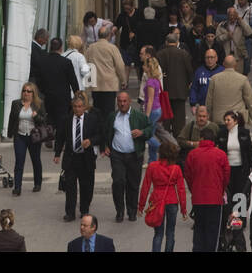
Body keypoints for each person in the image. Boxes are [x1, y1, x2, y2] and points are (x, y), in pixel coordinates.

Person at [104, 90, 154, 223]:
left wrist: (142, 132)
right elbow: (106, 132)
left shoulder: (139, 116)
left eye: (124, 101)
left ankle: (132, 211)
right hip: (117, 155)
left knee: (133, 184)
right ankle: (119, 211)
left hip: (134, 155)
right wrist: (106, 146)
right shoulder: (112, 116)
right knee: (118, 182)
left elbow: (150, 130)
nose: (122, 104)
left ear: (129, 102)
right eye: (119, 101)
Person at [54, 92, 104, 221]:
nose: (77, 109)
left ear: (84, 107)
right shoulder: (66, 119)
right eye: (75, 106)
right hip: (71, 157)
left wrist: (91, 141)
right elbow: (60, 137)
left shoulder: (91, 119)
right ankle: (70, 212)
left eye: (80, 106)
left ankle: (84, 210)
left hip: (86, 158)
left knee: (86, 185)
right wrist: (57, 153)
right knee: (70, 186)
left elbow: (99, 135)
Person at [216, 110, 252, 248]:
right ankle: (229, 218)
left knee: (241, 194)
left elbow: (250, 151)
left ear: (235, 121)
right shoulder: (222, 133)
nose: (226, 122)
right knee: (229, 193)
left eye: (229, 120)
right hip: (227, 169)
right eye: (225, 120)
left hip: (241, 168)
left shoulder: (244, 133)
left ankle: (241, 219)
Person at [138, 141, 187, 252]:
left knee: (158, 234)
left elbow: (145, 187)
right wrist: (183, 209)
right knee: (170, 233)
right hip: (172, 201)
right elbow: (181, 190)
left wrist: (141, 206)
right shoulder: (176, 168)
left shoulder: (152, 166)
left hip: (157, 201)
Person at [184, 133, 230, 252]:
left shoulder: (193, 154)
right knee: (213, 230)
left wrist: (193, 189)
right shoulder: (221, 154)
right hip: (215, 198)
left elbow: (188, 175)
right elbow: (226, 176)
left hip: (198, 198)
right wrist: (221, 189)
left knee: (199, 228)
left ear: (201, 139)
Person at [6, 82, 47, 197]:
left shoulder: (38, 104)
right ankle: (17, 187)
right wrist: (9, 133)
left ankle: (37, 183)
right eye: (24, 91)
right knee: (19, 161)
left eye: (29, 91)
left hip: (34, 136)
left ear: (33, 93)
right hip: (20, 136)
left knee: (36, 160)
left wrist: (35, 116)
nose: (26, 93)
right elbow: (12, 119)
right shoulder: (16, 104)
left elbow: (43, 121)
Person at [85, 23, 128, 121]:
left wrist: (87, 83)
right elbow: (120, 66)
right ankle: (107, 131)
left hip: (96, 84)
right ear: (109, 35)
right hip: (109, 84)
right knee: (108, 111)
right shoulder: (112, 48)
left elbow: (86, 65)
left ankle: (98, 131)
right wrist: (123, 80)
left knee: (97, 110)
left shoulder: (91, 48)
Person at [206, 54, 252, 126]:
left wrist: (208, 116)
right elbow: (250, 100)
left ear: (223, 64)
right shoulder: (243, 79)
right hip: (237, 118)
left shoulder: (214, 79)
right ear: (235, 64)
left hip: (219, 119)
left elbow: (209, 101)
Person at [158, 31, 194, 134]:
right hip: (180, 92)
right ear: (177, 41)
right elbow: (190, 72)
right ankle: (178, 145)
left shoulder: (160, 54)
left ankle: (166, 146)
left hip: (164, 92)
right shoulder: (184, 54)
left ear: (166, 42)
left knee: (165, 122)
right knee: (179, 123)